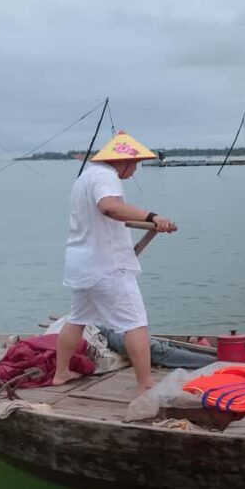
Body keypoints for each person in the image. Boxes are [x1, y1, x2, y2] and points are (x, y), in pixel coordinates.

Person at [53, 131, 177, 394]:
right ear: (122, 160)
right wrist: (152, 216)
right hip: (107, 265)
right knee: (135, 322)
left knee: (78, 318)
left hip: (81, 263)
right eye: (135, 163)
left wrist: (148, 222)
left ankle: (61, 373)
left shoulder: (85, 176)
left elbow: (108, 215)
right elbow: (109, 207)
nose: (135, 169)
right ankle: (145, 384)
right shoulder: (105, 176)